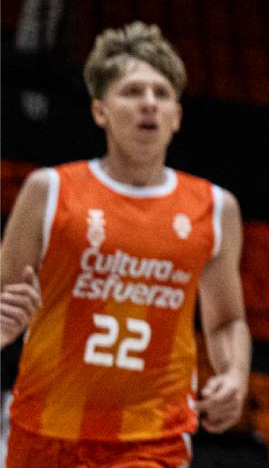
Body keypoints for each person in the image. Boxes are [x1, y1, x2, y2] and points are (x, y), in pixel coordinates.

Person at [0, 23, 251, 468]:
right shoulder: (50, 190)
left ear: (177, 114)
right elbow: (3, 298)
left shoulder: (214, 207)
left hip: (152, 438)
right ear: (100, 111)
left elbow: (227, 319)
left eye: (162, 93)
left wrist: (234, 374)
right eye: (132, 91)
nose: (149, 103)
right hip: (43, 430)